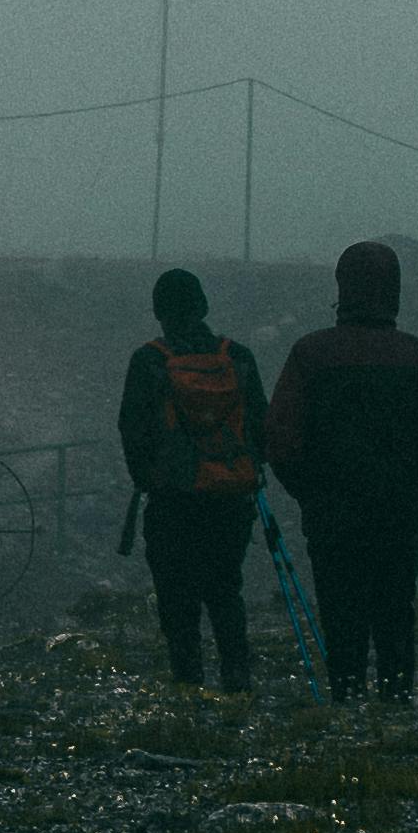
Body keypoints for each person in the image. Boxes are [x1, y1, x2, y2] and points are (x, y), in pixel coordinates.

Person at [261, 237, 418, 703]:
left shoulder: (310, 354)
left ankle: (346, 697)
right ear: (393, 292)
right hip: (399, 511)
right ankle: (396, 696)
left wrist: (308, 491)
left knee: (341, 607)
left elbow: (278, 440)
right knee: (395, 606)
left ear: (342, 289)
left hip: (332, 513)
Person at [115, 263, 268, 693]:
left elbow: (131, 427)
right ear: (202, 305)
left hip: (173, 497)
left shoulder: (149, 360)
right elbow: (261, 420)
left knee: (176, 593)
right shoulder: (237, 357)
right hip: (230, 494)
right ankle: (236, 673)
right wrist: (252, 468)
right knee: (224, 587)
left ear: (159, 310)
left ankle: (188, 680)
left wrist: (146, 477)